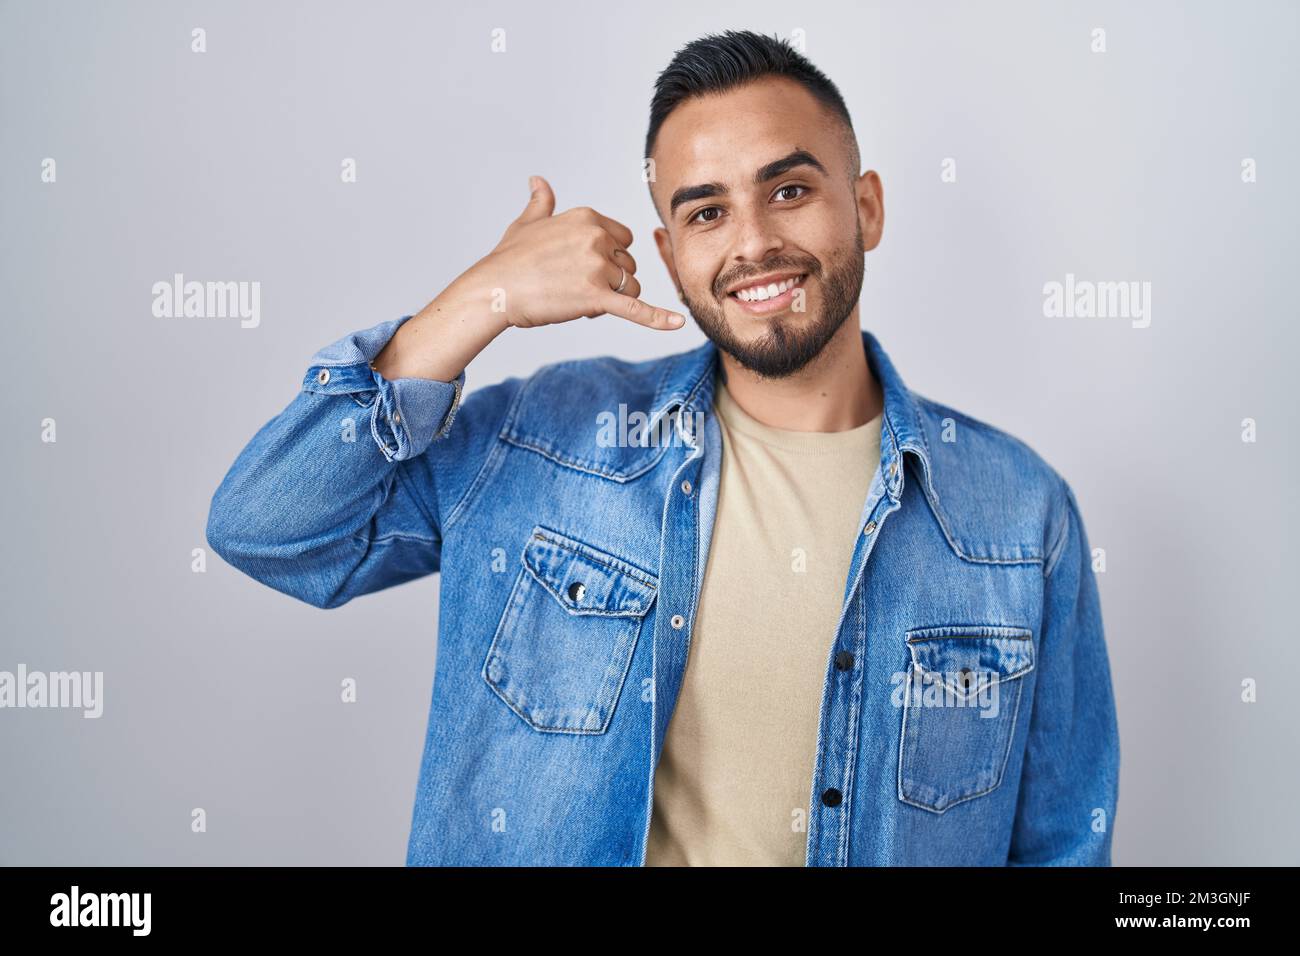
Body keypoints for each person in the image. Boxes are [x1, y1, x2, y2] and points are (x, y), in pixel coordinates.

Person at [206, 30, 1119, 866]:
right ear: (671, 250)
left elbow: (1059, 847)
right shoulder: (546, 440)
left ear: (867, 208)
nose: (754, 243)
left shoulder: (1018, 512)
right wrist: (475, 302)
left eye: (790, 191)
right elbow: (270, 529)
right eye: (707, 213)